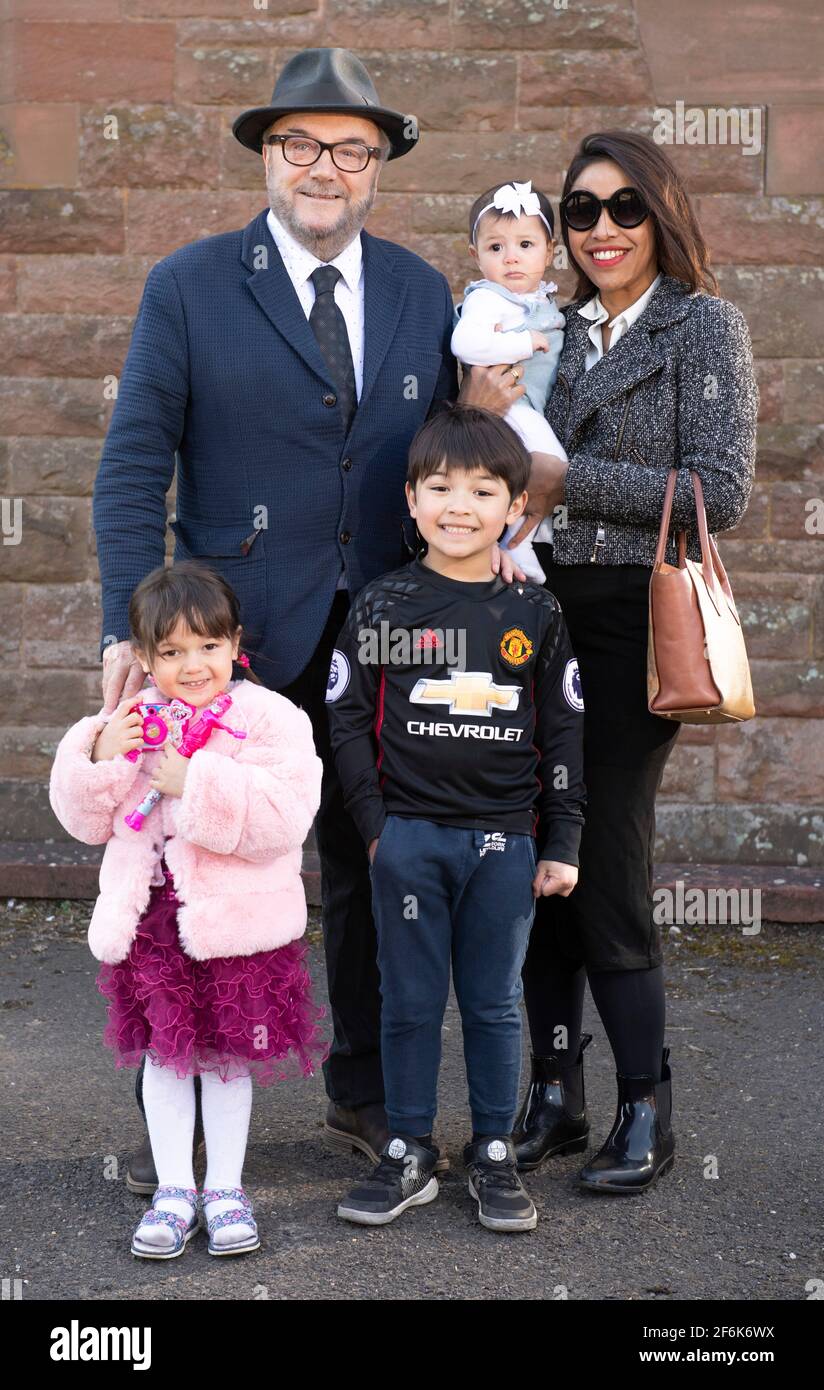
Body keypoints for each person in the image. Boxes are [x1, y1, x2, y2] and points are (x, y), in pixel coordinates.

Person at [92, 47, 508, 1186]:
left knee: (380, 864)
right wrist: (127, 636)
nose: (324, 167)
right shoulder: (187, 284)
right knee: (195, 873)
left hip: (388, 633)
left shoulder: (427, 294)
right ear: (268, 157)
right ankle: (175, 1124)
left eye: (350, 149)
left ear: (380, 166)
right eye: (300, 145)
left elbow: (450, 463)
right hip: (230, 641)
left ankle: (365, 1096)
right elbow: (133, 467)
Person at [498, 131, 757, 1193]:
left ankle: (644, 1102)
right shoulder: (541, 328)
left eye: (623, 209)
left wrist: (564, 477)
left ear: (659, 216)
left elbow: (716, 494)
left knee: (601, 862)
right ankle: (553, 1092)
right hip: (524, 619)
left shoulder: (703, 326)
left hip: (623, 621)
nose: (599, 229)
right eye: (579, 211)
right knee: (531, 862)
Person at [326, 405, 585, 1231]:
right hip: (409, 840)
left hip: (505, 843)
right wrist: (376, 828)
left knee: (494, 1001)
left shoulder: (532, 616)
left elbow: (566, 728)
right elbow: (345, 716)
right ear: (410, 499)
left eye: (483, 490)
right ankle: (408, 1149)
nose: (459, 506)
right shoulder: (385, 605)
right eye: (439, 487)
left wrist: (563, 837)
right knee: (405, 999)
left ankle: (495, 1150)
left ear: (517, 508)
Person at [49, 562, 325, 1258]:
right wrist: (100, 753)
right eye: (170, 653)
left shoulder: (270, 718)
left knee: (227, 1057)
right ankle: (175, 1189)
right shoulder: (128, 721)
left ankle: (225, 1187)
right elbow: (83, 815)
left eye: (207, 647)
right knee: (169, 1058)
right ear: (144, 657)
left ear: (235, 645)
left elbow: (287, 815)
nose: (191, 665)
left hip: (235, 924)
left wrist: (193, 781)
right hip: (154, 922)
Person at [451, 179, 567, 584]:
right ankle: (516, 544)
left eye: (525, 245)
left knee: (524, 475)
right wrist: (521, 342)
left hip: (530, 405)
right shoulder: (488, 298)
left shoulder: (539, 301)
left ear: (550, 252)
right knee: (553, 466)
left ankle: (525, 536)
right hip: (509, 405)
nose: (511, 259)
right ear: (476, 255)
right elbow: (465, 343)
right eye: (496, 247)